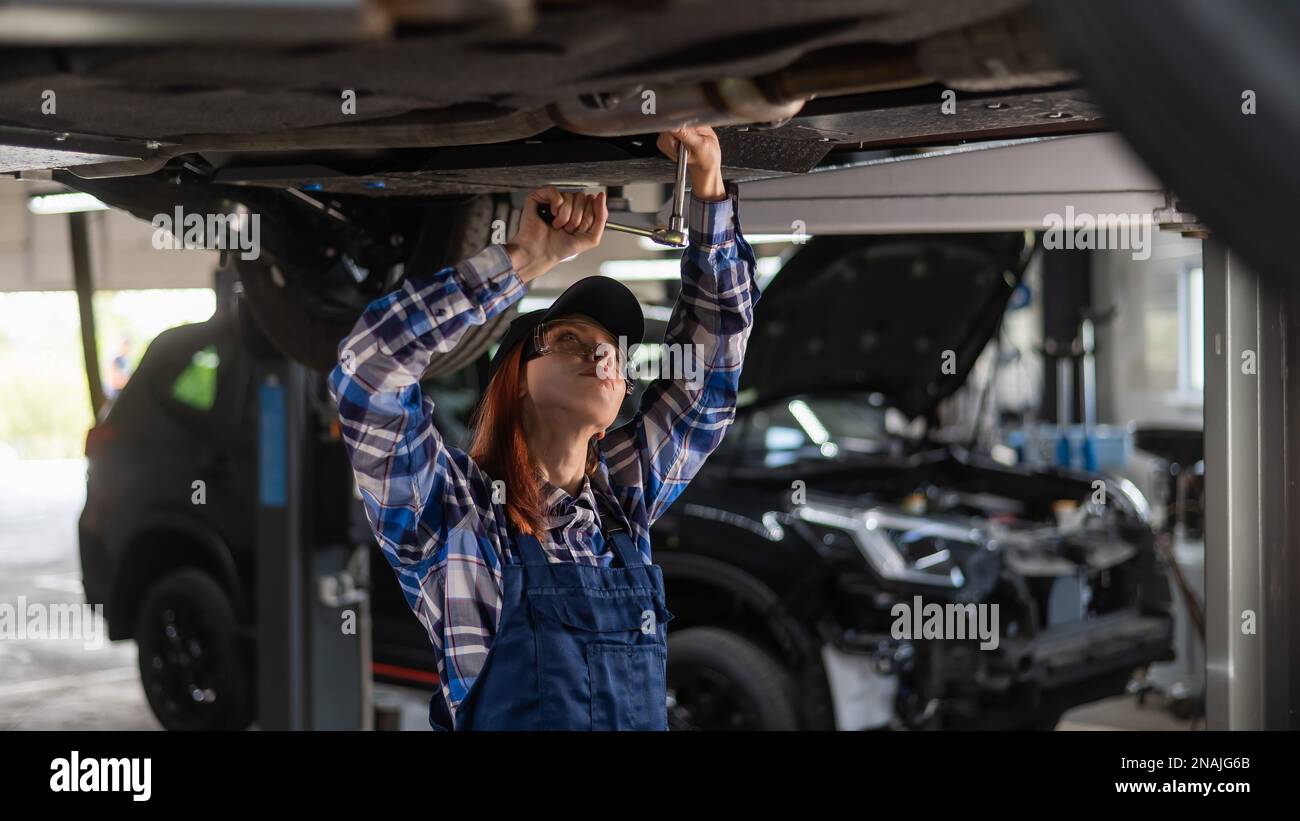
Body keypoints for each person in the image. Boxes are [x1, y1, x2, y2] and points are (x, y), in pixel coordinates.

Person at [328, 126, 758, 730]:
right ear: (514, 380)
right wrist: (526, 260)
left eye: (614, 350)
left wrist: (708, 187)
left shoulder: (619, 514)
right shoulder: (457, 524)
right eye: (569, 340)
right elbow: (367, 371)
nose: (604, 355)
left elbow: (706, 390)